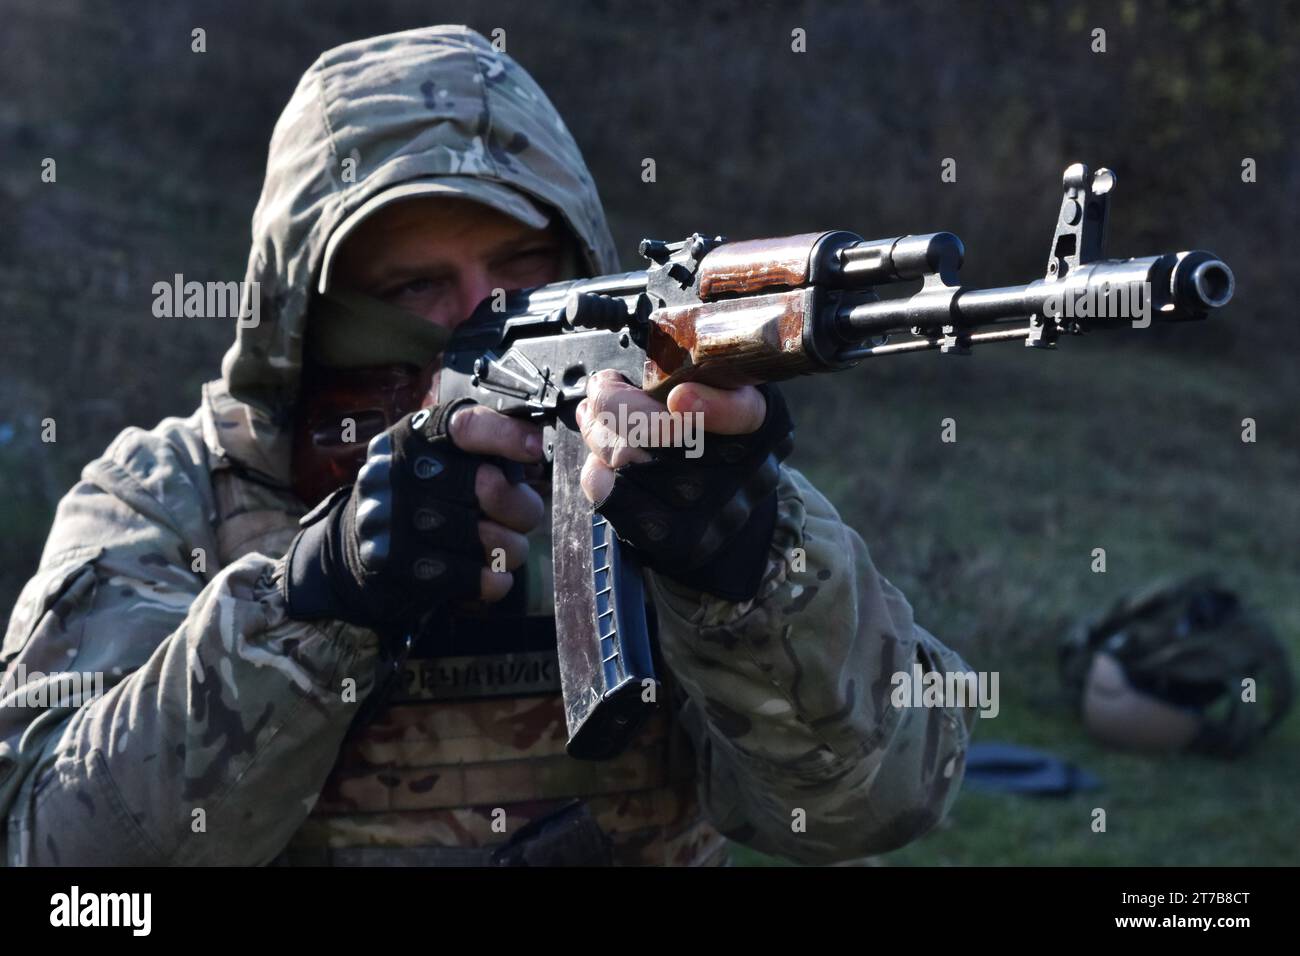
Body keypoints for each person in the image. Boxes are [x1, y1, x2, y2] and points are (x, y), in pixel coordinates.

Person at [0, 25, 974, 866]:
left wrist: (745, 571)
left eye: (523, 265)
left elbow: (877, 804)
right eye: (413, 288)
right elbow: (54, 846)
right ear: (307, 318)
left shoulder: (655, 464)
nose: (482, 314)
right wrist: (315, 598)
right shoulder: (169, 495)